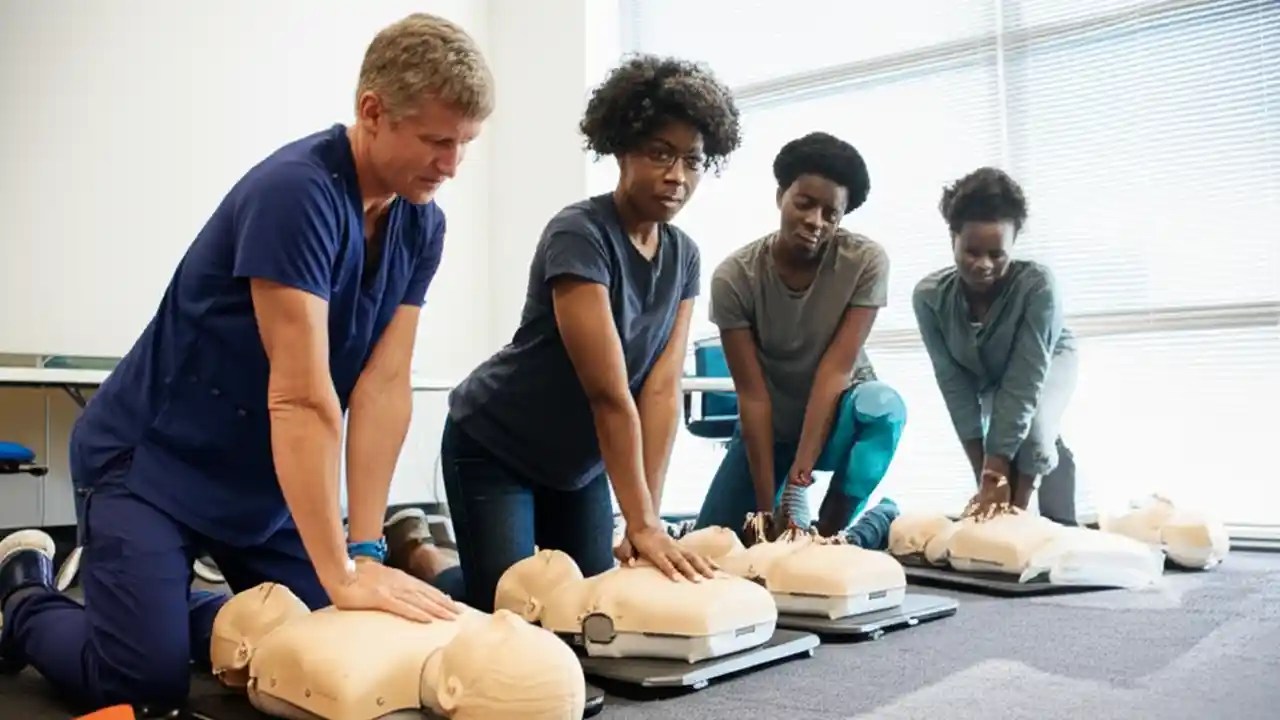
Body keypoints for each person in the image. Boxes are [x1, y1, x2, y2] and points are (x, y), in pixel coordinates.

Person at [0, 13, 492, 713]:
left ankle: (177, 611)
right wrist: (340, 571)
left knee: (348, 643)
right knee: (143, 685)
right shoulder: (296, 193)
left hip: (261, 485)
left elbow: (383, 387)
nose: (452, 165)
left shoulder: (422, 223)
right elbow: (301, 397)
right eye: (437, 141)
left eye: (466, 144)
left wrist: (367, 552)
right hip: (150, 469)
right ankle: (22, 594)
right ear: (373, 113)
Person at [440, 54, 742, 613]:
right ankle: (422, 565)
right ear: (622, 149)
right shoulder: (579, 233)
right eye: (659, 154)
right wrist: (644, 522)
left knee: (585, 606)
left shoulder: (684, 255)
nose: (677, 176)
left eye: (692, 160)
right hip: (496, 442)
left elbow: (658, 389)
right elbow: (608, 392)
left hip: (578, 463)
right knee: (509, 606)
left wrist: (643, 517)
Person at [692, 132, 906, 544]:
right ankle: (855, 520)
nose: (815, 221)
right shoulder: (734, 278)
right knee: (717, 545)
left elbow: (836, 368)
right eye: (804, 204)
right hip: (771, 425)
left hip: (838, 415)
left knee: (884, 408)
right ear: (780, 197)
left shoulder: (865, 262)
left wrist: (798, 481)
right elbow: (752, 397)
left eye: (831, 214)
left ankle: (836, 533)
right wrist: (764, 508)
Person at [912, 167, 1079, 524]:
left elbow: (1024, 382)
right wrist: (987, 480)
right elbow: (954, 387)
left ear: (1013, 245)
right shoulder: (928, 298)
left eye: (996, 254)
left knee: (1034, 430)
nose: (983, 265)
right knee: (1006, 454)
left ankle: (1022, 519)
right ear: (952, 238)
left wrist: (1006, 499)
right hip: (985, 368)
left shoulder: (1038, 287)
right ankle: (1014, 506)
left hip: (1045, 359)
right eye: (971, 251)